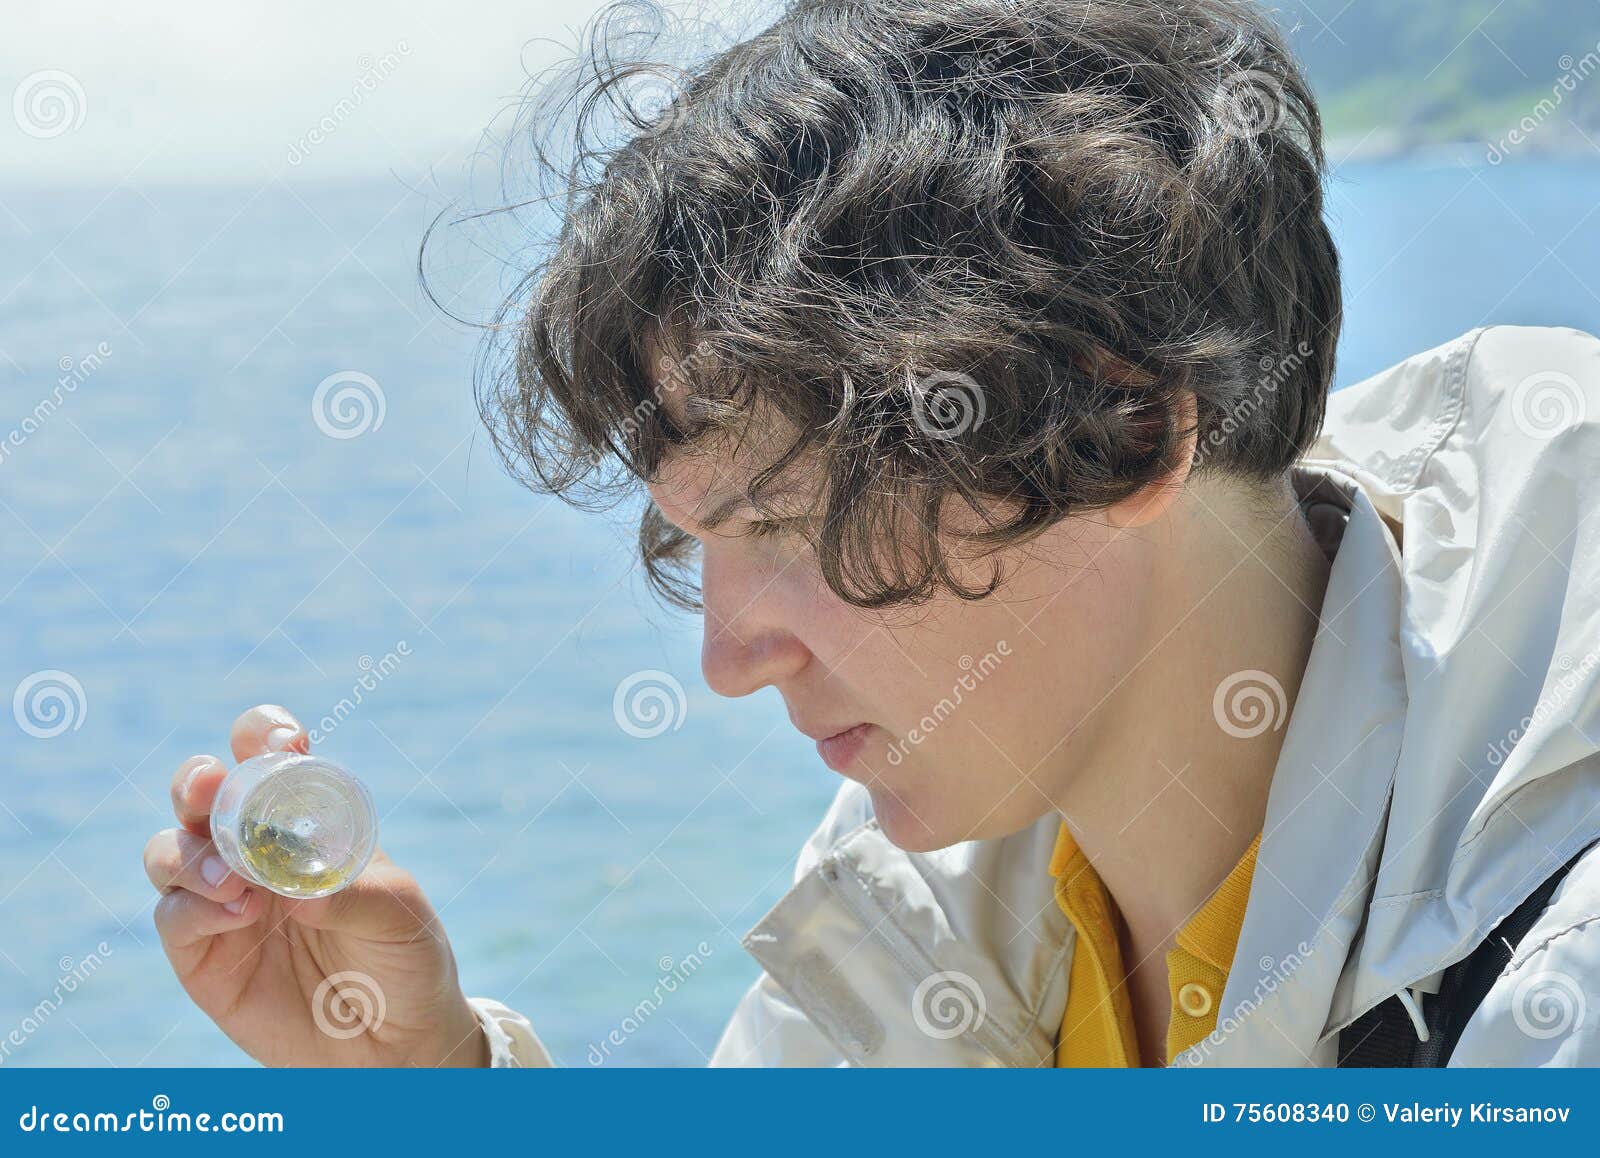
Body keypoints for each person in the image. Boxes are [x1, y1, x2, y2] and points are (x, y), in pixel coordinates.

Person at [142, 0, 1600, 1067]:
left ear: (1125, 432)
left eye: (785, 516)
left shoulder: (1550, 987)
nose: (726, 659)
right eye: (697, 539)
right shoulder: (917, 916)